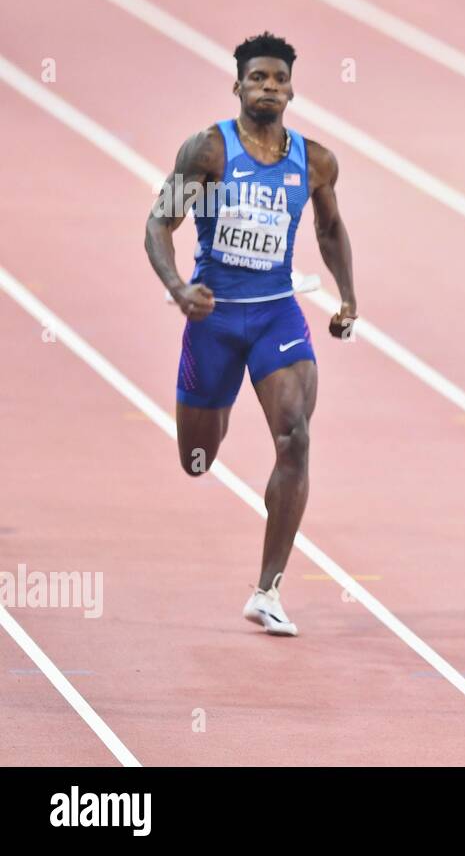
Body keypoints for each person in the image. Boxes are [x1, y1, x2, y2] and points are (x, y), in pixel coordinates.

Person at [144, 32, 357, 635]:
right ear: (237, 85)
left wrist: (349, 298)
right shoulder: (208, 151)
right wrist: (180, 286)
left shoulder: (314, 162)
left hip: (275, 315)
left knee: (295, 437)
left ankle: (267, 589)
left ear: (292, 89)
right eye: (257, 78)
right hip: (212, 318)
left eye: (278, 79)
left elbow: (332, 229)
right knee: (197, 459)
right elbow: (160, 223)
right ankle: (218, 406)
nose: (268, 87)